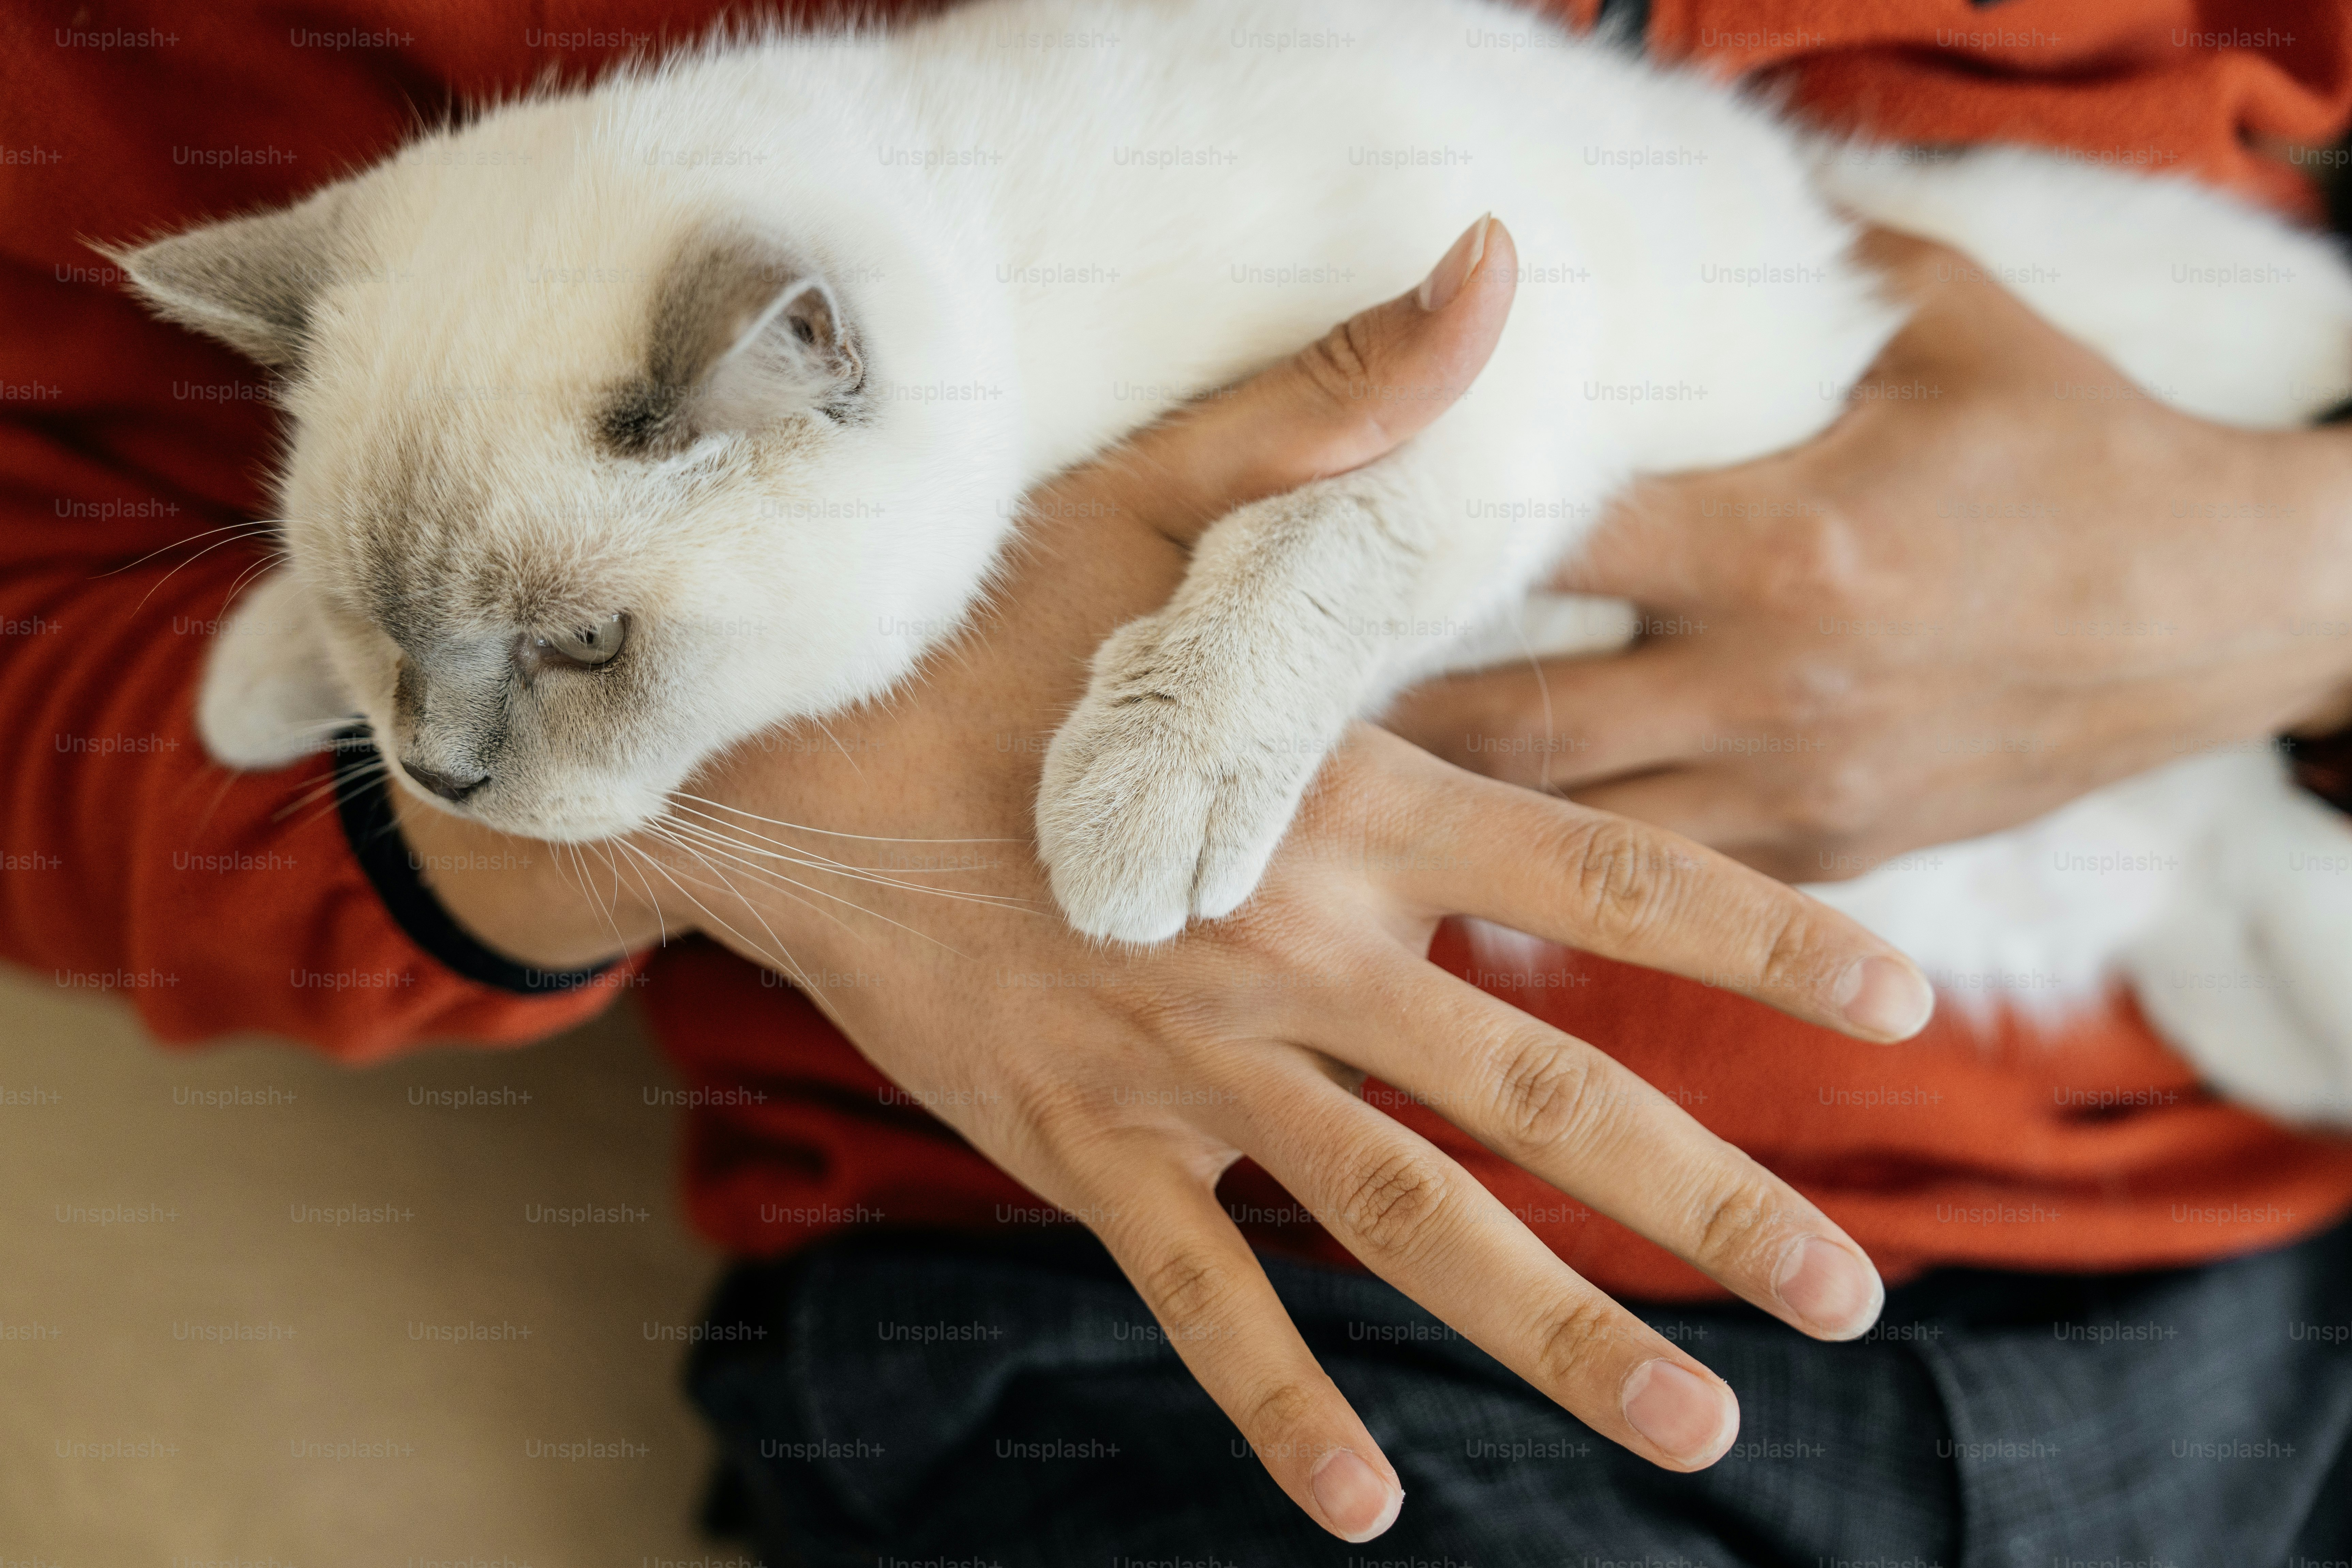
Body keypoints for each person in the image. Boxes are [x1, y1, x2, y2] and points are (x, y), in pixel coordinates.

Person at [5, 0, 2352, 1561]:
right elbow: (55, 688)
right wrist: (779, 807)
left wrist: (2288, 569)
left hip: (2251, 1215)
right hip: (1198, 1319)